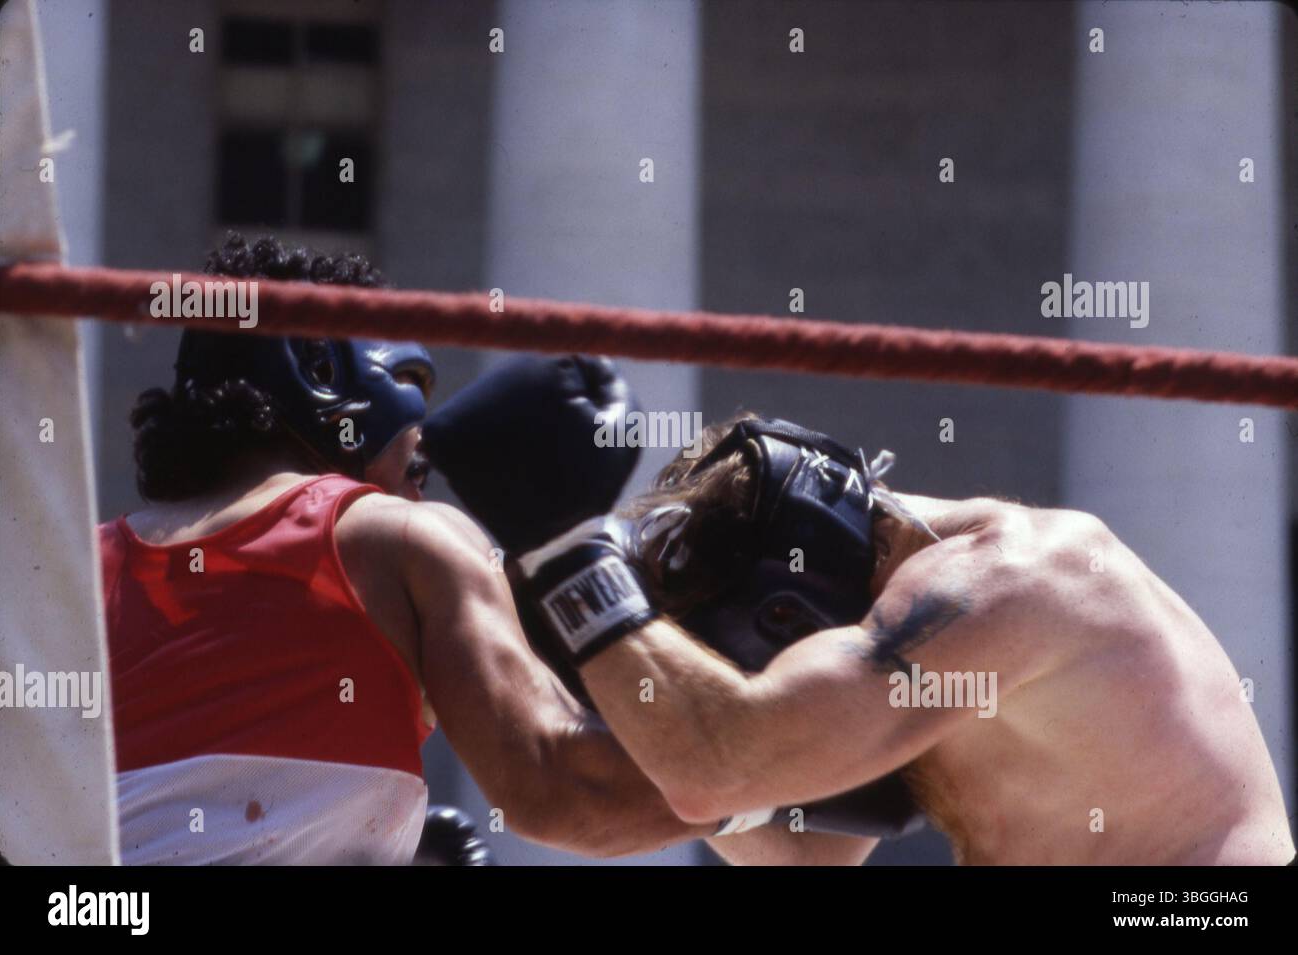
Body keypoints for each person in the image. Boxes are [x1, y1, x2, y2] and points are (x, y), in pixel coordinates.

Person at [100, 233, 705, 864]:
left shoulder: (72, 573)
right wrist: (778, 765)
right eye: (414, 387)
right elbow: (561, 786)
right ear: (329, 376)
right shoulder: (402, 540)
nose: (424, 451)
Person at [459, 412, 1294, 865]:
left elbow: (725, 761)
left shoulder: (1008, 584)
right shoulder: (888, 645)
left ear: (789, 610)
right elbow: (796, 858)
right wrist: (569, 649)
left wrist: (571, 561)